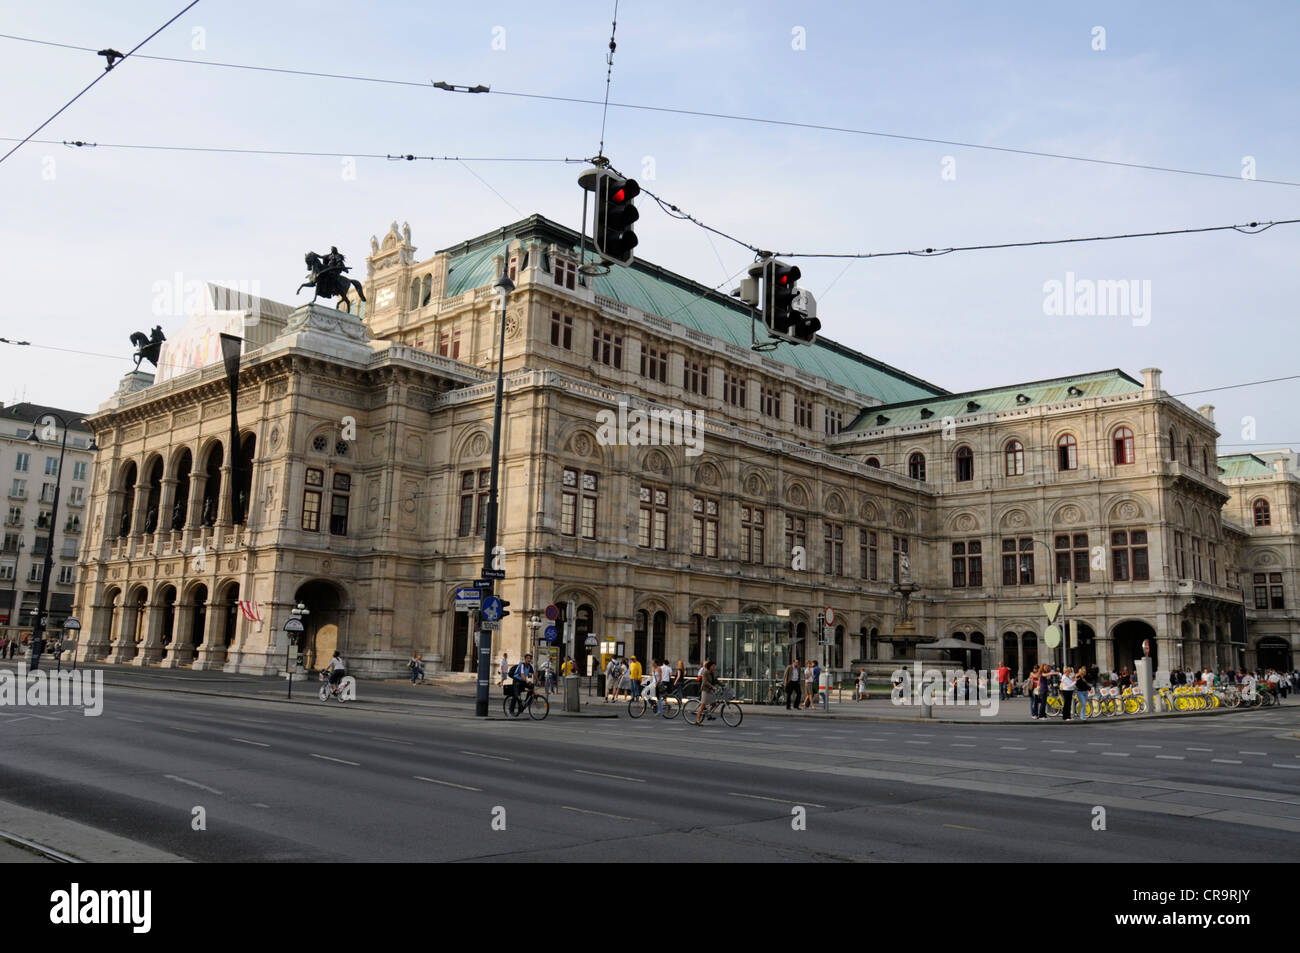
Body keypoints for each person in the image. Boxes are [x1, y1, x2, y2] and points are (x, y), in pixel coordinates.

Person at [696, 660, 721, 725]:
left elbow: (716, 680)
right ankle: (698, 720)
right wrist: (713, 687)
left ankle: (708, 714)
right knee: (703, 705)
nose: (714, 667)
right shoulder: (705, 672)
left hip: (710, 690)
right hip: (705, 690)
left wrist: (723, 684)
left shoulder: (712, 672)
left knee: (714, 704)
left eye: (714, 666)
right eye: (713, 666)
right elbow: (705, 682)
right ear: (710, 666)